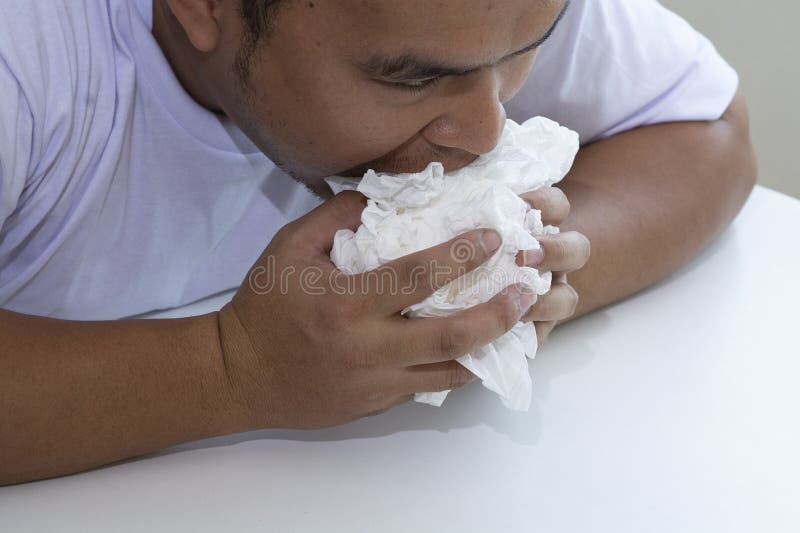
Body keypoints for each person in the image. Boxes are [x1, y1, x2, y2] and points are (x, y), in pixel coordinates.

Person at [0, 0, 756, 485]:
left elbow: (711, 130)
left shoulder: (479, 17)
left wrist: (521, 274)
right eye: (413, 81)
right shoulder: (32, 61)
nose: (489, 128)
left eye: (523, 51)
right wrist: (231, 369)